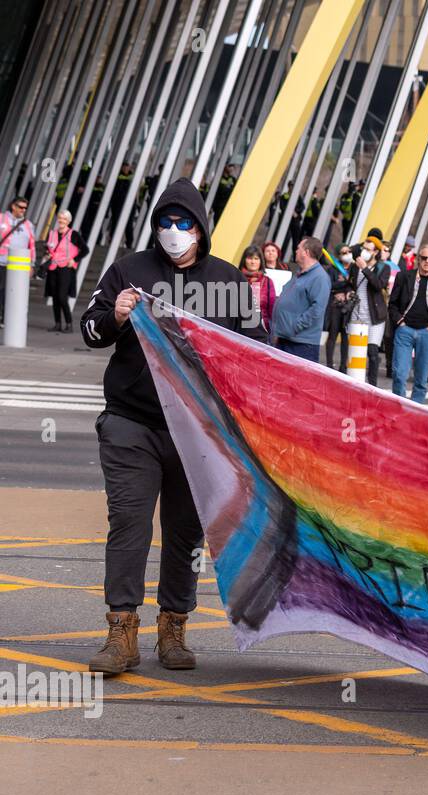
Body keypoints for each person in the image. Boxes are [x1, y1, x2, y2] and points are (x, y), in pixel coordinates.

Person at [79, 178, 262, 675]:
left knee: (185, 534)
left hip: (198, 431)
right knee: (130, 525)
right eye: (166, 223)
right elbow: (90, 330)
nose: (174, 231)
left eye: (184, 223)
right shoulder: (128, 270)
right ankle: (121, 631)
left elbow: (258, 354)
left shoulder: (228, 281)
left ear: (201, 229)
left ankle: (174, 626)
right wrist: (114, 317)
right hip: (130, 423)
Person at [388, 243, 428, 403]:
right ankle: (398, 406)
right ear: (418, 259)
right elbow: (392, 304)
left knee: (421, 379)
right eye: (424, 258)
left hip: (426, 332)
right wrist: (400, 322)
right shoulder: (403, 276)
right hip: (405, 330)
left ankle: (416, 412)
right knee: (399, 374)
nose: (427, 262)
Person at [270, 236, 330, 361]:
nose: (296, 251)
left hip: (301, 344)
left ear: (306, 252)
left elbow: (317, 309)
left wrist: (294, 327)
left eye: (298, 249)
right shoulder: (300, 273)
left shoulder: (319, 277)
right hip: (286, 339)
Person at [347, 235, 391, 386]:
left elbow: (378, 285)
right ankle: (353, 381)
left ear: (376, 252)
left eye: (369, 249)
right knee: (354, 350)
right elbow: (350, 284)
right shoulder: (354, 267)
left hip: (375, 316)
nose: (365, 252)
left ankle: (372, 385)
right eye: (364, 248)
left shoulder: (383, 268)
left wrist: (365, 268)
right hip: (357, 312)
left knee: (372, 352)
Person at [42, 210, 88, 333]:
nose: (61, 220)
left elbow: (85, 250)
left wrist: (74, 260)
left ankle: (69, 324)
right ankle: (57, 324)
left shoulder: (74, 234)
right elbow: (48, 248)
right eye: (60, 218)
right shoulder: (52, 233)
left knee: (62, 297)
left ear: (68, 221)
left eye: (64, 219)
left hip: (66, 269)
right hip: (53, 268)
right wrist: (47, 254)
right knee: (55, 298)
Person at [0, 195, 35, 328]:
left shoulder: (28, 225)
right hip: (1, 261)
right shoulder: (1, 218)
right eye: (21, 207)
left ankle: (6, 318)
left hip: (18, 265)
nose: (23, 210)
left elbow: (31, 245)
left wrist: (31, 264)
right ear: (13, 206)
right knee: (1, 290)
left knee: (13, 292)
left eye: (25, 208)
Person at [322, 244, 355, 372]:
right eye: (343, 252)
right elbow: (330, 285)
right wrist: (345, 282)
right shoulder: (333, 269)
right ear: (339, 255)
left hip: (349, 307)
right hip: (335, 306)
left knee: (346, 337)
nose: (347, 254)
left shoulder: (353, 268)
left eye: (349, 251)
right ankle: (329, 364)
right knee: (333, 334)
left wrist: (345, 288)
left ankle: (343, 366)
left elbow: (355, 284)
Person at [239, 244, 277, 337]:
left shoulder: (267, 282)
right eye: (250, 258)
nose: (253, 262)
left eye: (256, 259)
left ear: (261, 261)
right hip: (236, 329)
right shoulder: (236, 278)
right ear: (244, 260)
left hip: (259, 332)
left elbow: (272, 310)